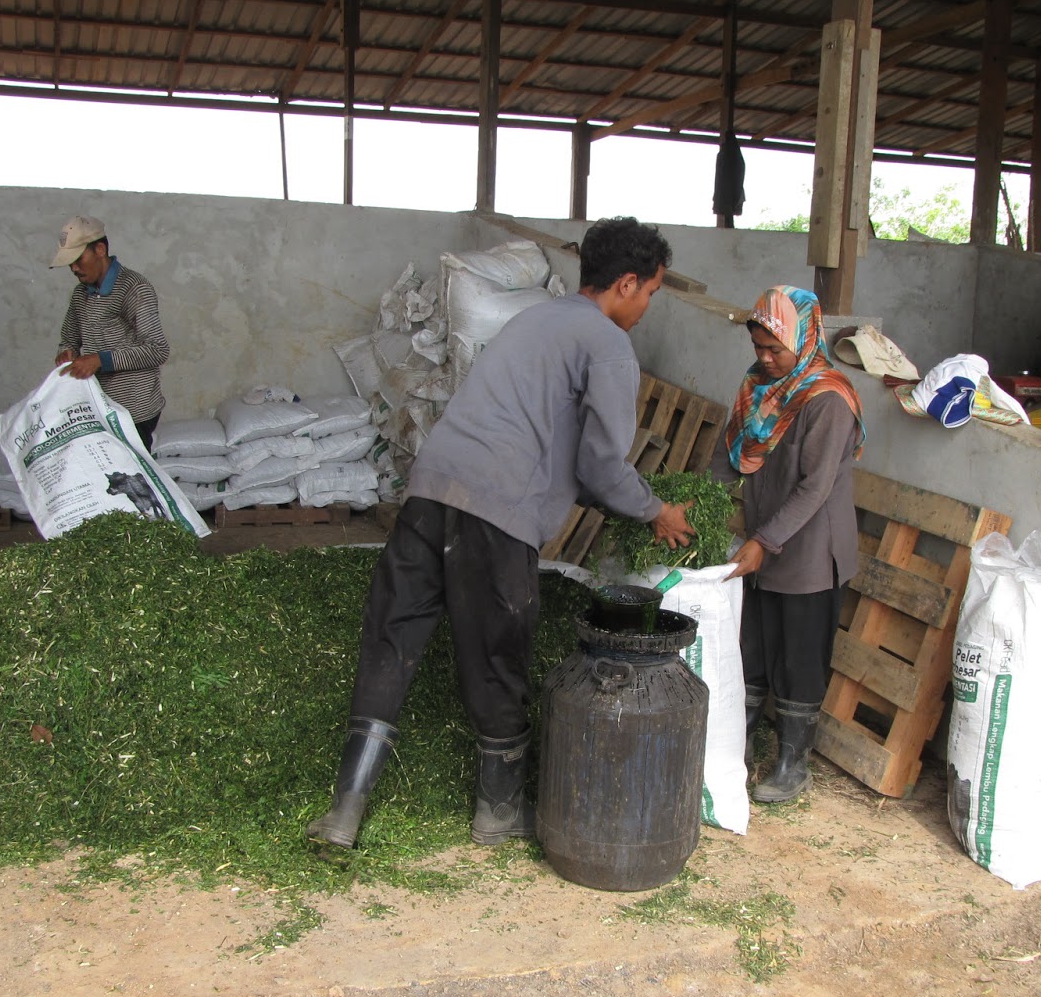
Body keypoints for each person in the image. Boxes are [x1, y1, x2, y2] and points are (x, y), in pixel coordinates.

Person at [308, 216, 696, 849]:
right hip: (496, 505)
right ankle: (498, 812)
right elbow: (602, 465)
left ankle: (345, 811)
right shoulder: (607, 344)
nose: (648, 306)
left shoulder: (533, 319)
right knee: (496, 648)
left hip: (432, 487)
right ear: (626, 284)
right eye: (650, 291)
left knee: (393, 631)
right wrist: (656, 510)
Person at [712, 285, 864, 803]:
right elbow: (728, 455)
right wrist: (700, 505)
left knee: (798, 658)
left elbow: (815, 487)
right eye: (758, 348)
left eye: (774, 349)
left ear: (805, 337)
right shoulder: (757, 386)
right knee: (751, 648)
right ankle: (742, 746)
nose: (765, 358)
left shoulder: (828, 398)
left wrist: (762, 541)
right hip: (761, 543)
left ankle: (793, 763)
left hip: (808, 553)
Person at [49, 215, 169, 450]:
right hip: (99, 406)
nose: (74, 268)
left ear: (100, 250)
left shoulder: (134, 289)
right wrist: (67, 353)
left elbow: (157, 350)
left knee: (130, 479)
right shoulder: (80, 294)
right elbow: (69, 339)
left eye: (78, 259)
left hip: (134, 410)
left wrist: (99, 360)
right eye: (70, 263)